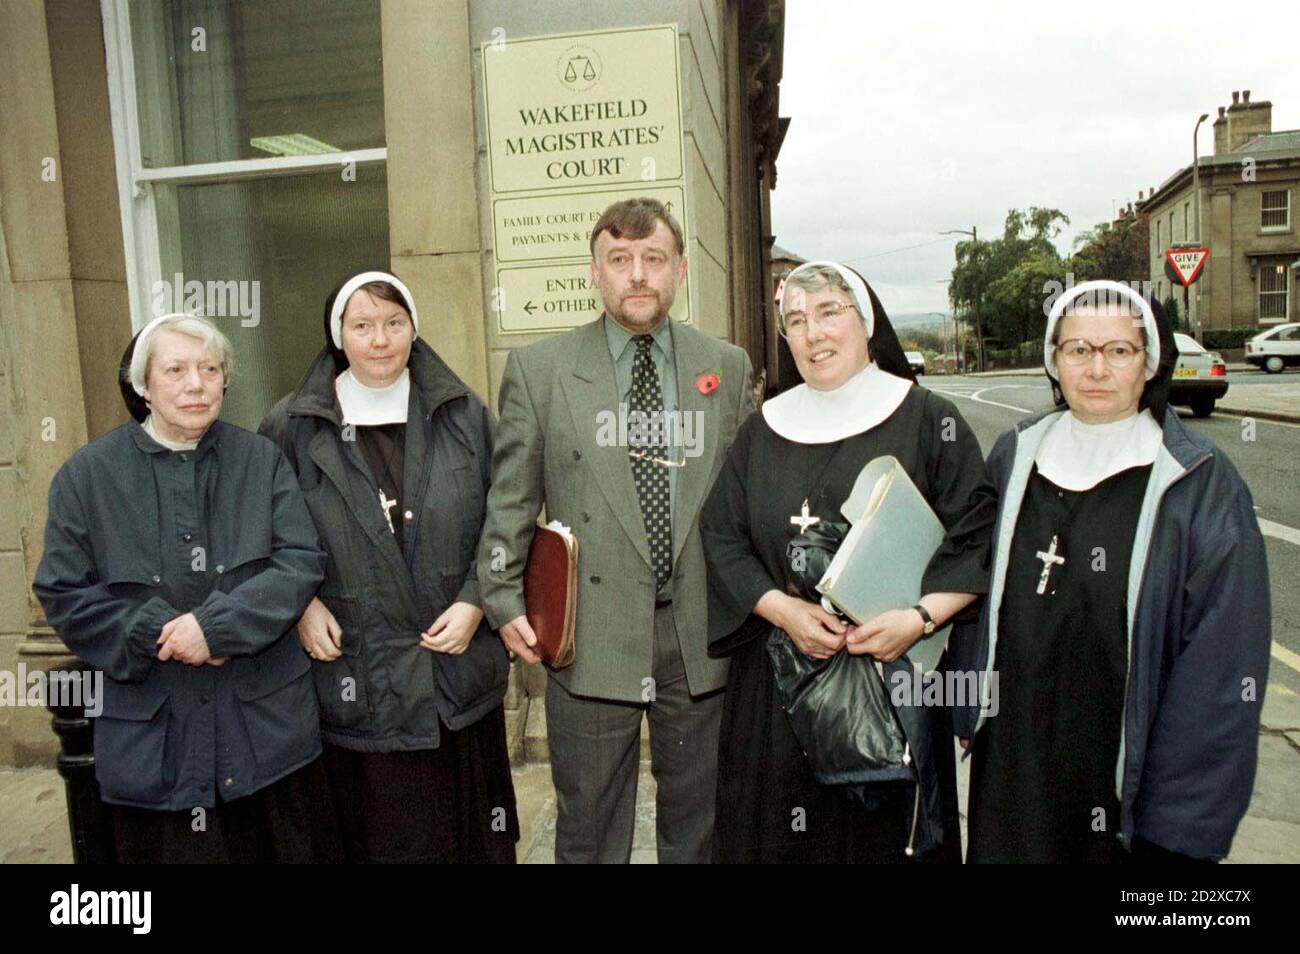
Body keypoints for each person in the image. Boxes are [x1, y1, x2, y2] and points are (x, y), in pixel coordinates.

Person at [477, 197, 754, 863]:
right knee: (590, 832)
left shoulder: (727, 367)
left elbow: (747, 504)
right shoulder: (541, 372)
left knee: (701, 830)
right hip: (589, 635)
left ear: (679, 269)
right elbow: (510, 501)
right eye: (620, 260)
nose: (638, 275)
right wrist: (502, 596)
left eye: (653, 259)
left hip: (698, 636)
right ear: (595, 274)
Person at [959, 280, 1271, 863]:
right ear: (1054, 361)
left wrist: (1184, 824)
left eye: (1118, 351)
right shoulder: (1015, 454)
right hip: (1014, 765)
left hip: (1128, 777)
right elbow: (974, 586)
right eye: (1077, 349)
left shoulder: (1200, 482)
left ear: (1149, 361)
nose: (1096, 369)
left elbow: (1222, 668)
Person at [698, 262, 996, 863]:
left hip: (891, 682)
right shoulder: (762, 431)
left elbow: (977, 533)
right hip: (781, 686)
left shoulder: (926, 418)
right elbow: (722, 534)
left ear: (866, 321)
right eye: (796, 321)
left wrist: (919, 618)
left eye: (830, 312)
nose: (813, 334)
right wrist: (782, 610)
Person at [34, 313, 339, 863]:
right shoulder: (86, 478)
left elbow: (299, 561)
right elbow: (64, 593)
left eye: (210, 368)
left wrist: (216, 629)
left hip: (266, 747)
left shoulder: (261, 462)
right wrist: (160, 633)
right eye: (175, 369)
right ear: (142, 385)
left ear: (225, 380)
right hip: (155, 754)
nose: (196, 383)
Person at [260, 270, 518, 863]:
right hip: (359, 676)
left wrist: (479, 597)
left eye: (394, 323)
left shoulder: (462, 415)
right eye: (363, 325)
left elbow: (508, 518)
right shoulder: (291, 428)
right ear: (337, 336)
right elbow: (265, 536)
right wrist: (301, 604)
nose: (381, 340)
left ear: (413, 329)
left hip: (454, 677)